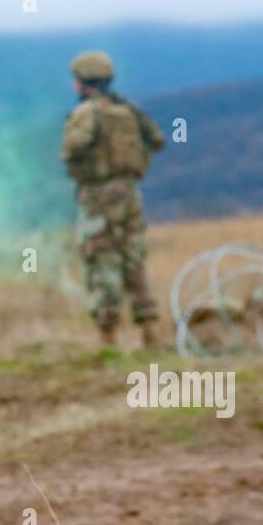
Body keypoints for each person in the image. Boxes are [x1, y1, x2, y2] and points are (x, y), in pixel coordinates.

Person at [61, 51, 166, 348]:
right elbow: (157, 140)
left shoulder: (87, 113)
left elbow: (73, 146)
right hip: (131, 193)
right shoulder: (129, 110)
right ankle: (150, 335)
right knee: (134, 261)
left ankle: (108, 340)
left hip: (99, 196)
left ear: (84, 83)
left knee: (102, 260)